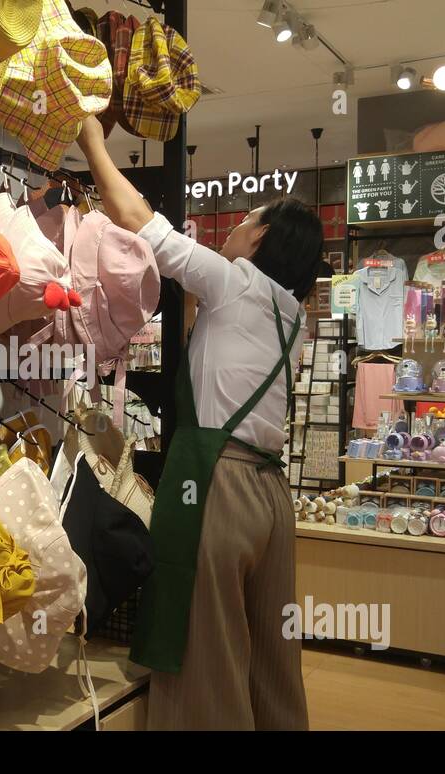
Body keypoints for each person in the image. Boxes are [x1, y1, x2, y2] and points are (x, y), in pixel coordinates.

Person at [74, 115, 322, 730]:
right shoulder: (292, 314)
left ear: (263, 239)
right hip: (271, 491)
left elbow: (136, 219)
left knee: (204, 649)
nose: (234, 225)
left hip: (220, 483)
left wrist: (92, 142)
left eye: (247, 218)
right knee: (272, 650)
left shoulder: (236, 283)